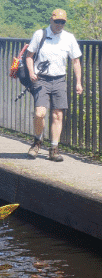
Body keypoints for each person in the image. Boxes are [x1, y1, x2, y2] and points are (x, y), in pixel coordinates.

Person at [25, 8, 83, 162]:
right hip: (41, 79)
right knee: (40, 113)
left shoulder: (69, 38)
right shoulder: (40, 34)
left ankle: (54, 148)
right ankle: (37, 141)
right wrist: (31, 72)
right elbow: (29, 56)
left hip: (59, 80)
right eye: (57, 21)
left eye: (62, 22)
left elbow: (76, 61)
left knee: (58, 115)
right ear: (51, 20)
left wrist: (78, 82)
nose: (59, 24)